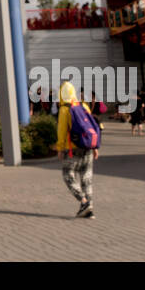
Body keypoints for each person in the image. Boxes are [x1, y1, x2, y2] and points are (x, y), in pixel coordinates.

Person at [54, 80, 99, 218]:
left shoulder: (64, 109)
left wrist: (60, 148)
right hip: (87, 147)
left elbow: (62, 131)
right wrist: (95, 146)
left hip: (71, 149)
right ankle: (89, 208)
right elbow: (91, 125)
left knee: (68, 176)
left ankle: (84, 202)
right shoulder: (84, 105)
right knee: (86, 178)